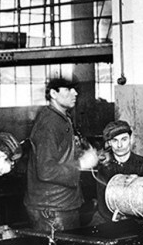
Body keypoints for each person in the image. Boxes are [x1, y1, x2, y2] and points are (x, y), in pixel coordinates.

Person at [25, 77, 98, 231]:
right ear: (53, 93)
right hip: (52, 208)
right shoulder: (49, 124)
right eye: (68, 89)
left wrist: (84, 154)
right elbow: (46, 170)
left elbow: (61, 152)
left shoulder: (61, 118)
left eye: (75, 89)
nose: (75, 93)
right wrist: (81, 164)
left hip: (61, 203)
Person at [92, 119, 143, 224]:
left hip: (139, 223)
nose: (119, 145)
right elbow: (102, 205)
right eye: (115, 140)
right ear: (109, 143)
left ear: (131, 139)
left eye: (124, 139)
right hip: (110, 222)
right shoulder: (104, 168)